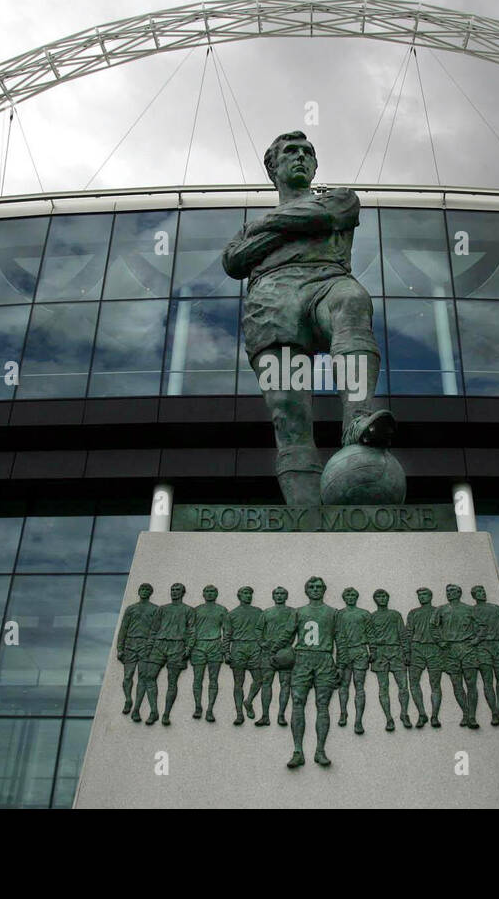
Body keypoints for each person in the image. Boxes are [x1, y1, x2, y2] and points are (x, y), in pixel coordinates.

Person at [222, 131, 395, 505]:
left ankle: (358, 419)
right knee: (288, 409)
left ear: (315, 165)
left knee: (351, 300)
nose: (301, 157)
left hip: (326, 281)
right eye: (291, 152)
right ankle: (305, 514)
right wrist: (295, 224)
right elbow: (234, 261)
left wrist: (263, 228)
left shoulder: (339, 197)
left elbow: (331, 213)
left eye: (307, 152)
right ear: (273, 168)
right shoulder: (251, 228)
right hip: (271, 303)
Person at [286, 576, 339, 767]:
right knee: (298, 701)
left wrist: (339, 665)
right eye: (312, 587)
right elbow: (287, 636)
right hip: (302, 658)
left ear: (324, 589)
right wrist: (272, 651)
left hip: (324, 658)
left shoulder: (333, 613)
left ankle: (320, 750)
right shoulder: (298, 612)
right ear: (306, 590)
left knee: (322, 703)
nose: (315, 589)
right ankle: (298, 751)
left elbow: (340, 641)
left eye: (318, 587)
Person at [138, 582, 194, 726]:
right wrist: (149, 646)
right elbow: (154, 629)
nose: (174, 592)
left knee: (172, 682)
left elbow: (191, 631)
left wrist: (188, 648)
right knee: (149, 676)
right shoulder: (162, 609)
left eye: (177, 590)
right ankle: (154, 711)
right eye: (172, 590)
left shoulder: (188, 610)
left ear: (183, 593)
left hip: (177, 646)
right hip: (159, 645)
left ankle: (166, 714)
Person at [431, 584, 483, 729]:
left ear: (459, 593)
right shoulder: (441, 609)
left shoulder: (469, 609)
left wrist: (475, 640)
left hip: (467, 649)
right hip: (450, 650)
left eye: (453, 591)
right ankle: (465, 713)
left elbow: (481, 626)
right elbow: (433, 627)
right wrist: (440, 641)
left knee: (471, 683)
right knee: (456, 684)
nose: (449, 593)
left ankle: (472, 716)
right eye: (447, 591)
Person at [366, 588, 410, 731]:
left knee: (403, 686)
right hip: (380, 653)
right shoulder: (371, 616)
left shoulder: (395, 615)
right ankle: (389, 718)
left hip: (396, 651)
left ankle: (404, 713)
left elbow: (403, 634)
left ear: (388, 598)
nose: (382, 598)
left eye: (384, 596)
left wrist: (406, 652)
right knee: (383, 688)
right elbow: (370, 636)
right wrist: (372, 651)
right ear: (375, 599)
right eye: (379, 596)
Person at [471, 585, 499, 725]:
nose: (482, 593)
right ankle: (494, 712)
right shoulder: (472, 611)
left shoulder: (496, 608)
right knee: (487, 681)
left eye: (483, 591)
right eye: (478, 592)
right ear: (474, 595)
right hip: (483, 647)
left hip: (498, 645)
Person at [255, 586, 297, 726]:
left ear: (286, 596)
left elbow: (296, 630)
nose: (279, 596)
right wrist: (262, 642)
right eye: (277, 594)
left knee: (285, 684)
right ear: (273, 596)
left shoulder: (293, 612)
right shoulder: (266, 612)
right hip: (268, 652)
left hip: (285, 652)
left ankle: (281, 715)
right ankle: (265, 715)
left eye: (282, 594)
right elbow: (258, 629)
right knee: (266, 682)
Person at [225, 586, 266, 725]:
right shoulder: (232, 614)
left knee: (259, 679)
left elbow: (263, 631)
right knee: (238, 682)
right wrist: (226, 651)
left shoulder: (259, 612)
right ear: (239, 595)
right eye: (245, 593)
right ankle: (239, 714)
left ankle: (248, 701)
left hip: (254, 647)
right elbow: (227, 635)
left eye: (250, 593)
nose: (248, 595)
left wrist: (263, 647)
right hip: (238, 647)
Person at [116, 583, 157, 721]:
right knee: (128, 675)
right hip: (130, 644)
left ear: (150, 593)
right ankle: (128, 699)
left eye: (147, 590)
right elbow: (123, 629)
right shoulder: (131, 609)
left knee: (143, 677)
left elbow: (155, 630)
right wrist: (119, 648)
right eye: (142, 589)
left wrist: (151, 646)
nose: (144, 592)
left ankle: (137, 709)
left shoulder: (155, 609)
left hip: (145, 645)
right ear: (138, 591)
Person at [405, 587, 444, 727]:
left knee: (435, 683)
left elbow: (444, 630)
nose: (422, 597)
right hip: (417, 649)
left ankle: (434, 716)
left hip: (434, 649)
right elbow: (408, 632)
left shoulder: (438, 611)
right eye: (420, 595)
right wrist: (407, 652)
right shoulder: (413, 612)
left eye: (425, 594)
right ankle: (422, 714)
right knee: (414, 682)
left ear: (431, 596)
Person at [334, 587, 371, 734]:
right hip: (344, 651)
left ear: (357, 597)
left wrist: (372, 650)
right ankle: (343, 713)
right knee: (344, 684)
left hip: (360, 651)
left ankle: (358, 720)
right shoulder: (339, 614)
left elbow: (370, 633)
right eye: (347, 595)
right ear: (344, 597)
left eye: (353, 595)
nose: (350, 597)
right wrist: (339, 655)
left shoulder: (364, 613)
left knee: (359, 685)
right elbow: (336, 635)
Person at [191, 584, 228, 722]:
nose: (210, 593)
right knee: (197, 679)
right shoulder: (196, 610)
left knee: (213, 680)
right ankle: (198, 707)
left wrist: (225, 649)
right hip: (199, 646)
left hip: (215, 645)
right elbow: (190, 631)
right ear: (203, 594)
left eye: (212, 591)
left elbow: (227, 631)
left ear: (216, 593)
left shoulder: (222, 610)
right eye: (207, 591)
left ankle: (210, 709)